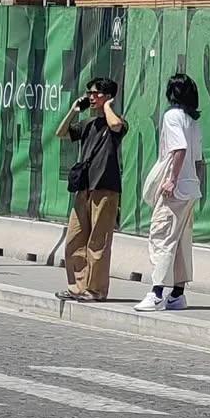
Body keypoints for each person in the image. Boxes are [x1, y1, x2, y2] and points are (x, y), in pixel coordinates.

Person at [137, 73, 205, 313]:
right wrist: (195, 184)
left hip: (175, 189)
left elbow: (179, 149)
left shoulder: (172, 116)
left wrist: (171, 181)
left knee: (161, 236)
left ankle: (156, 293)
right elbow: (198, 158)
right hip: (190, 188)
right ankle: (177, 294)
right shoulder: (192, 121)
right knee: (181, 242)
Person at [56, 77, 127, 303]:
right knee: (74, 238)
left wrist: (107, 106)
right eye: (89, 93)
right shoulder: (88, 124)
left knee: (98, 240)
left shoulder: (116, 123)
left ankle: (96, 289)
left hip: (106, 187)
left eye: (95, 93)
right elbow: (61, 133)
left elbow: (116, 126)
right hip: (84, 187)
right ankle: (77, 286)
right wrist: (74, 110)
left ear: (107, 96)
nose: (91, 97)